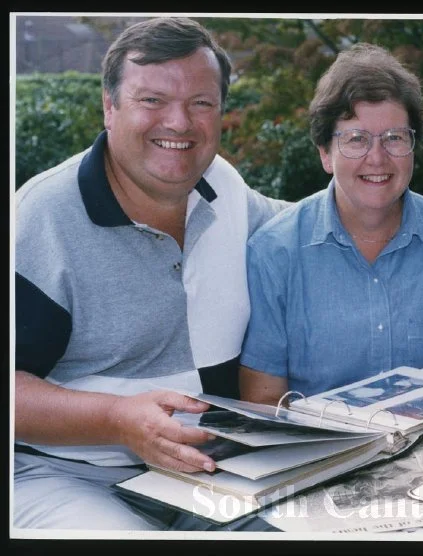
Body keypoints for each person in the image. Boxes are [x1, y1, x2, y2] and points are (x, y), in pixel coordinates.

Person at [14, 18, 288, 531]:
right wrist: (116, 420)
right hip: (63, 474)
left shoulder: (224, 189)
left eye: (201, 103)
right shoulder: (41, 219)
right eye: (152, 100)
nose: (179, 123)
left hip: (211, 471)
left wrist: (374, 187)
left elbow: (304, 229)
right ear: (109, 106)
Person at [239, 44, 423, 404]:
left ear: (413, 147)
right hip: (324, 455)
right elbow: (263, 406)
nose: (377, 157)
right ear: (325, 153)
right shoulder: (274, 253)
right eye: (356, 139)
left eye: (394, 138)